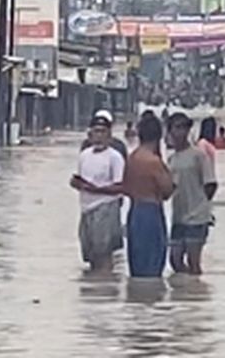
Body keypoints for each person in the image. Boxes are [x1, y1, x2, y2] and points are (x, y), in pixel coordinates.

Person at [70, 113, 126, 272]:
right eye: (96, 131)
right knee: (90, 254)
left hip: (106, 208)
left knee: (104, 254)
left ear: (109, 135)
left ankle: (105, 282)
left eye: (103, 131)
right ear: (90, 134)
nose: (99, 136)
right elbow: (79, 180)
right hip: (86, 210)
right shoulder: (84, 155)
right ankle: (96, 283)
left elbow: (121, 186)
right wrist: (77, 184)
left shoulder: (115, 157)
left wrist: (96, 189)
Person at [122, 116, 174, 278]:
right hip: (151, 213)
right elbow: (167, 190)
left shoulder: (131, 158)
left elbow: (126, 187)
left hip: (135, 211)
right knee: (153, 265)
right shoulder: (154, 162)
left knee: (137, 265)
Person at [166, 113, 217, 274]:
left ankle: (195, 286)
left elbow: (211, 184)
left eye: (184, 127)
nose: (180, 132)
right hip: (178, 216)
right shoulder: (171, 159)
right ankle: (184, 287)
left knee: (193, 261)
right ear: (170, 131)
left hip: (197, 217)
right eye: (177, 127)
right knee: (175, 260)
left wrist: (202, 206)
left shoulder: (199, 155)